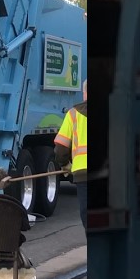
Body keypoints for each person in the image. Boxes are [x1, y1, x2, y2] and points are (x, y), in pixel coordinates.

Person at [54, 80, 87, 227]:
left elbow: (61, 147)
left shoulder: (73, 114)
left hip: (83, 173)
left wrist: (65, 164)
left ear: (84, 93)